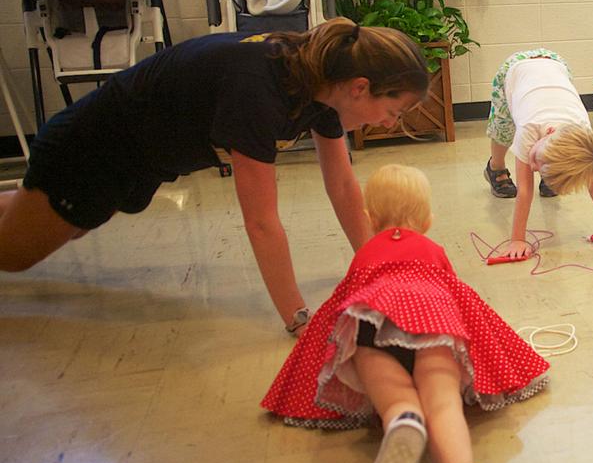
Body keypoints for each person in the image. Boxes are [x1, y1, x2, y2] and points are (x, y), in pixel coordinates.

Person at [0, 17, 428, 335]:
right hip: (89, 152)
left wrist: (375, 265)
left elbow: (341, 184)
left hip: (138, 161)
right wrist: (300, 320)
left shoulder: (323, 85)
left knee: (65, 228)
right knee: (16, 254)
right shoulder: (259, 89)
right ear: (360, 87)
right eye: (393, 111)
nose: (390, 125)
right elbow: (261, 222)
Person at [261, 164, 548, 463]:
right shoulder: (432, 251)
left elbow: (342, 306)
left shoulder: (364, 254)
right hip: (431, 327)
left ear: (369, 218)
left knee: (396, 397)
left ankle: (402, 420)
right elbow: (459, 300)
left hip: (371, 328)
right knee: (442, 402)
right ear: (427, 220)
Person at [483, 49, 593, 259]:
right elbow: (525, 190)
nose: (532, 167)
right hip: (516, 69)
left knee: (550, 165)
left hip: (557, 67)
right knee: (503, 131)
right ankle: (495, 167)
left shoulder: (582, 135)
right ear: (549, 133)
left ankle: (553, 174)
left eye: (539, 167)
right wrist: (518, 239)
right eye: (538, 162)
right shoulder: (529, 128)